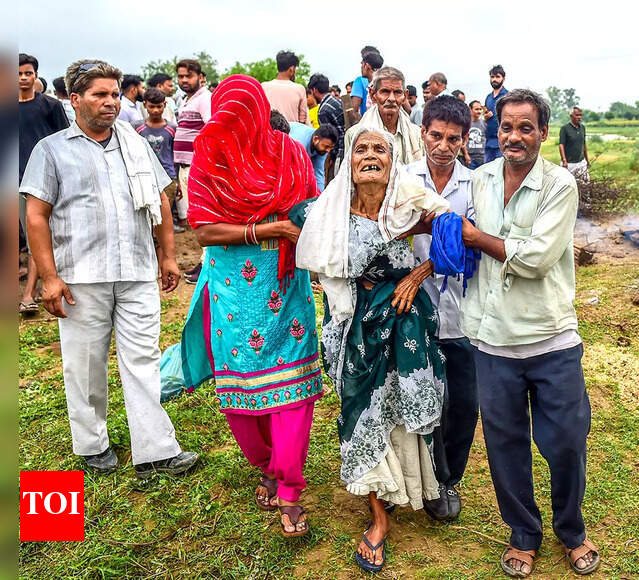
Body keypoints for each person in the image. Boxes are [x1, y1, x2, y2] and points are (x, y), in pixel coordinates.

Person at [21, 58, 198, 477]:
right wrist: (48, 277)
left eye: (116, 95)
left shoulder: (135, 142)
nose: (111, 102)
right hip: (81, 276)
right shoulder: (51, 150)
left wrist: (168, 255)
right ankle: (92, 444)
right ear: (75, 98)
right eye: (100, 94)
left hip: (136, 271)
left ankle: (155, 450)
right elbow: (35, 216)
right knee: (84, 363)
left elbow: (161, 201)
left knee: (143, 359)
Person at [292, 126, 447, 572]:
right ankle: (378, 516)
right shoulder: (328, 212)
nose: (371, 155)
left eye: (381, 149)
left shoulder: (410, 207)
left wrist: (418, 273)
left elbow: (460, 235)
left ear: (394, 162)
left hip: (404, 322)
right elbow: (289, 223)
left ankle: (402, 494)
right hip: (354, 327)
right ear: (349, 162)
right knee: (362, 412)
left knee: (397, 411)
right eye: (361, 149)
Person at [459, 89, 599, 577]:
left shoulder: (559, 184)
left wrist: (477, 238)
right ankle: (523, 532)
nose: (514, 137)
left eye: (525, 127)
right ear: (495, 131)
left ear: (542, 132)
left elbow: (538, 259)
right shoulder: (478, 180)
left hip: (550, 336)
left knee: (565, 440)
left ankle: (572, 530)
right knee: (504, 442)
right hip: (492, 336)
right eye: (506, 127)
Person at [181, 75, 322, 537]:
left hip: (284, 285)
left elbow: (307, 212)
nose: (233, 124)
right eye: (227, 114)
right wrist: (268, 230)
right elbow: (203, 231)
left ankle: (289, 489)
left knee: (292, 391)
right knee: (242, 396)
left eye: (244, 113)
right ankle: (266, 465)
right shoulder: (209, 155)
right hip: (233, 290)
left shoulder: (289, 153)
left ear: (261, 112)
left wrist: (306, 244)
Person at [402, 95, 478, 523]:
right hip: (413, 309)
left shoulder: (475, 184)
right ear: (422, 133)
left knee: (464, 404)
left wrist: (431, 262)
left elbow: (473, 240)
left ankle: (451, 479)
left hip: (464, 312)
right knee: (423, 397)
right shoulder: (404, 180)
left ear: (464, 139)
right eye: (435, 135)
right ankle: (432, 478)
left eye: (453, 138)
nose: (443, 145)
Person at [19, 53, 69, 316]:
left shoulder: (50, 106)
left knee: (36, 236)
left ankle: (29, 294)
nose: (23, 78)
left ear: (36, 75)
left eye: (28, 73)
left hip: (40, 181)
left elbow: (64, 141)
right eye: (18, 74)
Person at [343, 67, 425, 166]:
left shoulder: (418, 136)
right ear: (373, 95)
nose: (391, 98)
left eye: (397, 92)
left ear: (405, 96)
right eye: (385, 91)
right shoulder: (354, 135)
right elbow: (349, 175)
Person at [174, 59, 212, 232]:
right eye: (180, 76)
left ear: (200, 77)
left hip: (197, 166)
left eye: (188, 76)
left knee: (202, 216)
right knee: (194, 216)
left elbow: (212, 130)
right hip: (185, 166)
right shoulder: (185, 100)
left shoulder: (204, 99)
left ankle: (207, 258)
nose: (184, 80)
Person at [135, 88, 178, 181]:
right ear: (145, 105)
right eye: (151, 106)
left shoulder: (173, 128)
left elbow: (176, 155)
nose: (155, 110)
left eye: (159, 106)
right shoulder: (137, 127)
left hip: (168, 176)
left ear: (165, 105)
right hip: (145, 175)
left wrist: (177, 178)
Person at [311, 73, 345, 182]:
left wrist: (330, 158)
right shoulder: (336, 101)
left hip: (340, 153)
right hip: (347, 148)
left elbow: (329, 138)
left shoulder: (323, 111)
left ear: (315, 90)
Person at [288, 120, 337, 191]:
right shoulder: (300, 143)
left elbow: (318, 173)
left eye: (330, 147)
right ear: (315, 139)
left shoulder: (322, 146)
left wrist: (319, 198)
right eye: (326, 146)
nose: (328, 150)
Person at [262, 51, 308, 124]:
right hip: (292, 133)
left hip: (269, 132)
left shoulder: (264, 87)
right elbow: (302, 119)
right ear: (292, 69)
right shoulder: (299, 89)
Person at [483, 65, 508, 163]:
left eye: (497, 77)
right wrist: (485, 117)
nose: (494, 79)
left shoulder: (507, 96)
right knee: (487, 170)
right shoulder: (488, 97)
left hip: (502, 139)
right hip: (489, 140)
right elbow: (485, 118)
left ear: (503, 78)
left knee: (501, 169)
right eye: (492, 77)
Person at [350, 50, 384, 122]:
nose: (361, 68)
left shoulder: (371, 88)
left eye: (362, 64)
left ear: (367, 66)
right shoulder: (386, 83)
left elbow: (354, 111)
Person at [558, 106, 589, 181]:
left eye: (580, 115)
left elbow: (583, 144)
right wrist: (564, 160)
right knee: (568, 184)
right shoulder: (565, 128)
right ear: (571, 116)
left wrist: (587, 160)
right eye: (577, 115)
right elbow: (561, 145)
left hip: (581, 162)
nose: (579, 117)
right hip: (569, 164)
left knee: (586, 183)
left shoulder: (582, 128)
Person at [467, 100, 487, 169]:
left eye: (480, 109)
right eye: (476, 109)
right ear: (470, 109)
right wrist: (466, 155)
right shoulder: (466, 124)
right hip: (470, 157)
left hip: (482, 157)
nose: (479, 111)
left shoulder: (484, 123)